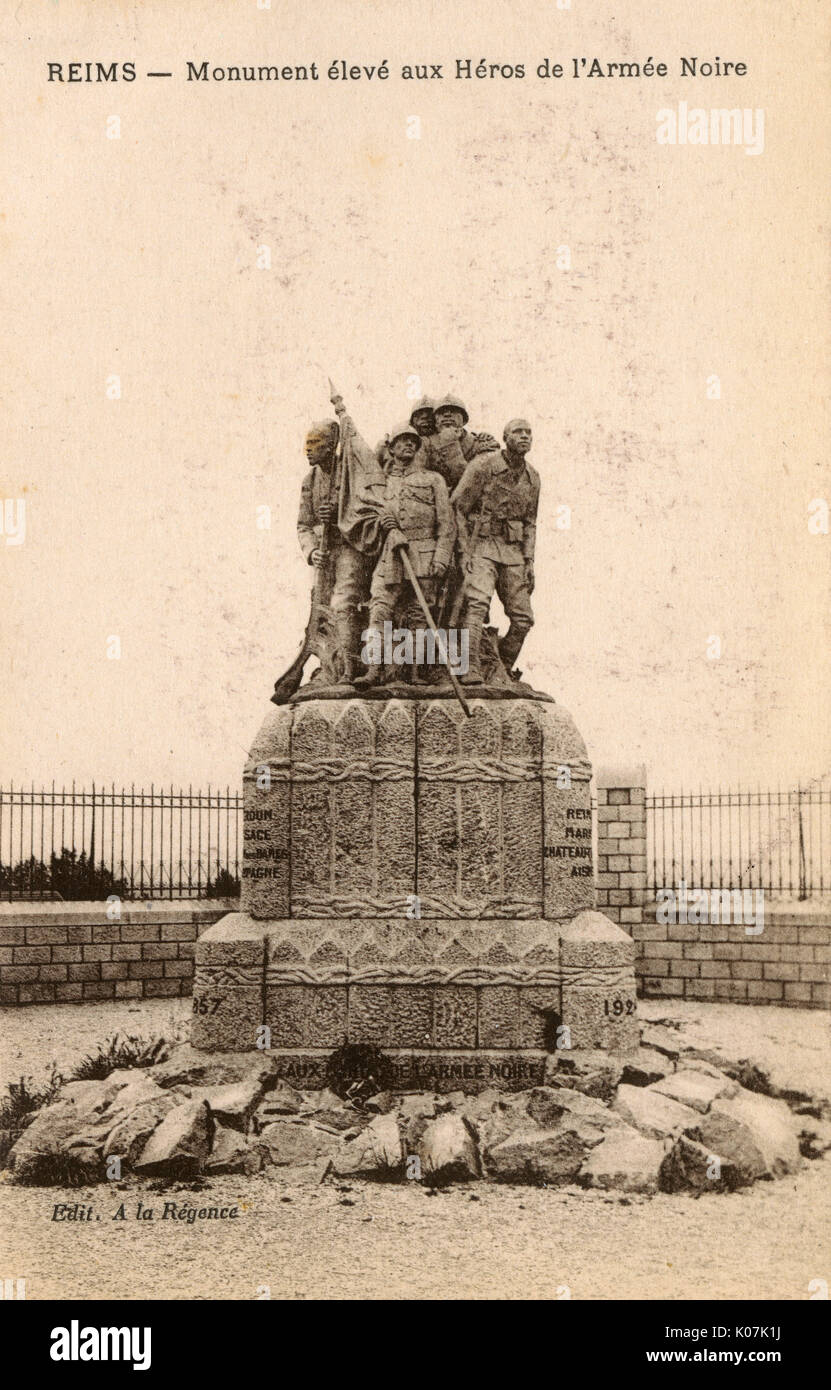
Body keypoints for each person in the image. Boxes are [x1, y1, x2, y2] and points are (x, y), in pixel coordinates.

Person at [355, 423, 455, 687]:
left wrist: (441, 557)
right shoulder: (382, 483)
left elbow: (446, 523)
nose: (408, 444)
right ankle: (374, 669)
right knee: (379, 610)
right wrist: (385, 526)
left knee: (419, 616)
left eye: (412, 441)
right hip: (391, 556)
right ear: (391, 448)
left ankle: (413, 673)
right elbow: (365, 509)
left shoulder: (434, 480)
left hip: (425, 554)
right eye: (402, 441)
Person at [451, 417, 539, 684]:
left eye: (528, 432)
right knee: (476, 606)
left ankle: (501, 667)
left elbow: (530, 523)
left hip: (513, 552)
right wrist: (464, 551)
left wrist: (529, 561)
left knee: (523, 618)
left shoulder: (532, 477)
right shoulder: (483, 466)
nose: (524, 436)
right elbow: (458, 507)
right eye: (517, 432)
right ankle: (470, 667)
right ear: (505, 437)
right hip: (482, 546)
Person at [297, 419, 370, 684]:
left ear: (330, 447)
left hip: (349, 547)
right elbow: (304, 524)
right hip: (323, 554)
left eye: (314, 444)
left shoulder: (349, 471)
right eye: (307, 444)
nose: (308, 449)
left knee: (344, 604)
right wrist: (311, 551)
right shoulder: (310, 480)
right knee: (321, 607)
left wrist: (339, 513)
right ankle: (330, 667)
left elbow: (365, 507)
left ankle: (348, 668)